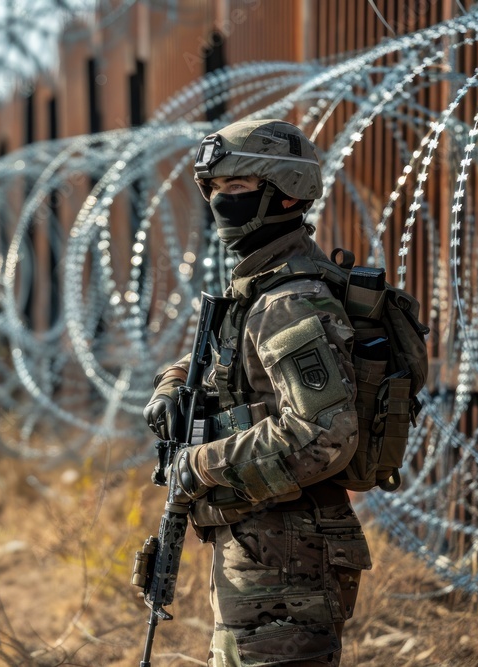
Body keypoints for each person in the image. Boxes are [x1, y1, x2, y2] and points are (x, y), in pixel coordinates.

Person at [143, 119, 371, 666]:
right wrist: (172, 387)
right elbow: (224, 363)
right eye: (217, 190)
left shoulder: (289, 300)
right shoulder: (256, 289)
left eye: (238, 189)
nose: (223, 203)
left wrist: (200, 463)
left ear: (286, 194)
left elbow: (323, 434)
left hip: (289, 560)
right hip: (263, 547)